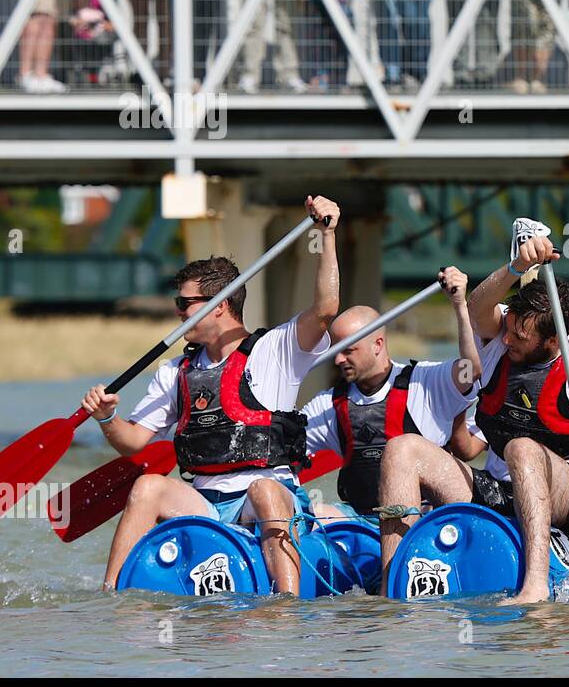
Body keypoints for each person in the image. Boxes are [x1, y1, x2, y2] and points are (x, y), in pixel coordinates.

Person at [78, 196, 341, 594]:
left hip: (265, 497)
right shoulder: (175, 373)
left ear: (218, 306)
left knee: (264, 490)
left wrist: (327, 233)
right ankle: (113, 594)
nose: (179, 312)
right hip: (205, 504)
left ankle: (286, 607)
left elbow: (325, 309)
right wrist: (106, 417)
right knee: (147, 487)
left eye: (185, 303)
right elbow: (133, 442)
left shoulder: (276, 350)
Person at [462, 234, 569, 604]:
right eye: (509, 328)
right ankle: (392, 586)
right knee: (405, 450)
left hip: (567, 494)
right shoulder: (500, 340)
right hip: (499, 487)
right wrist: (516, 268)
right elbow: (476, 306)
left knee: (523, 448)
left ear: (554, 341)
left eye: (520, 337)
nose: (507, 341)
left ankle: (535, 587)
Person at [301, 267, 480, 531]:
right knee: (311, 515)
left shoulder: (426, 382)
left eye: (348, 350)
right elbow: (283, 441)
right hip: (360, 523)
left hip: (421, 524)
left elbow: (471, 369)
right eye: (335, 351)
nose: (338, 359)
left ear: (378, 345)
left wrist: (459, 305)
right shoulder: (328, 403)